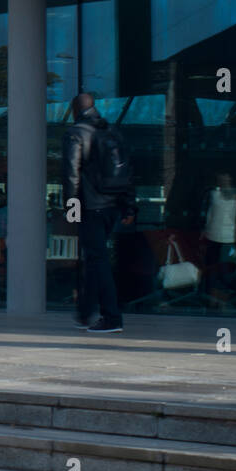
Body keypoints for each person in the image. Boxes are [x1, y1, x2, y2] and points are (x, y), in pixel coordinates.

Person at [63, 93, 136, 333]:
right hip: (113, 205)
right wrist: (129, 205)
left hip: (91, 206)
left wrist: (71, 208)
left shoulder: (76, 133)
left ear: (75, 110)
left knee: (97, 260)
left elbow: (71, 173)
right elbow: (127, 170)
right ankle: (85, 313)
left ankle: (112, 317)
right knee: (96, 259)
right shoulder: (113, 131)